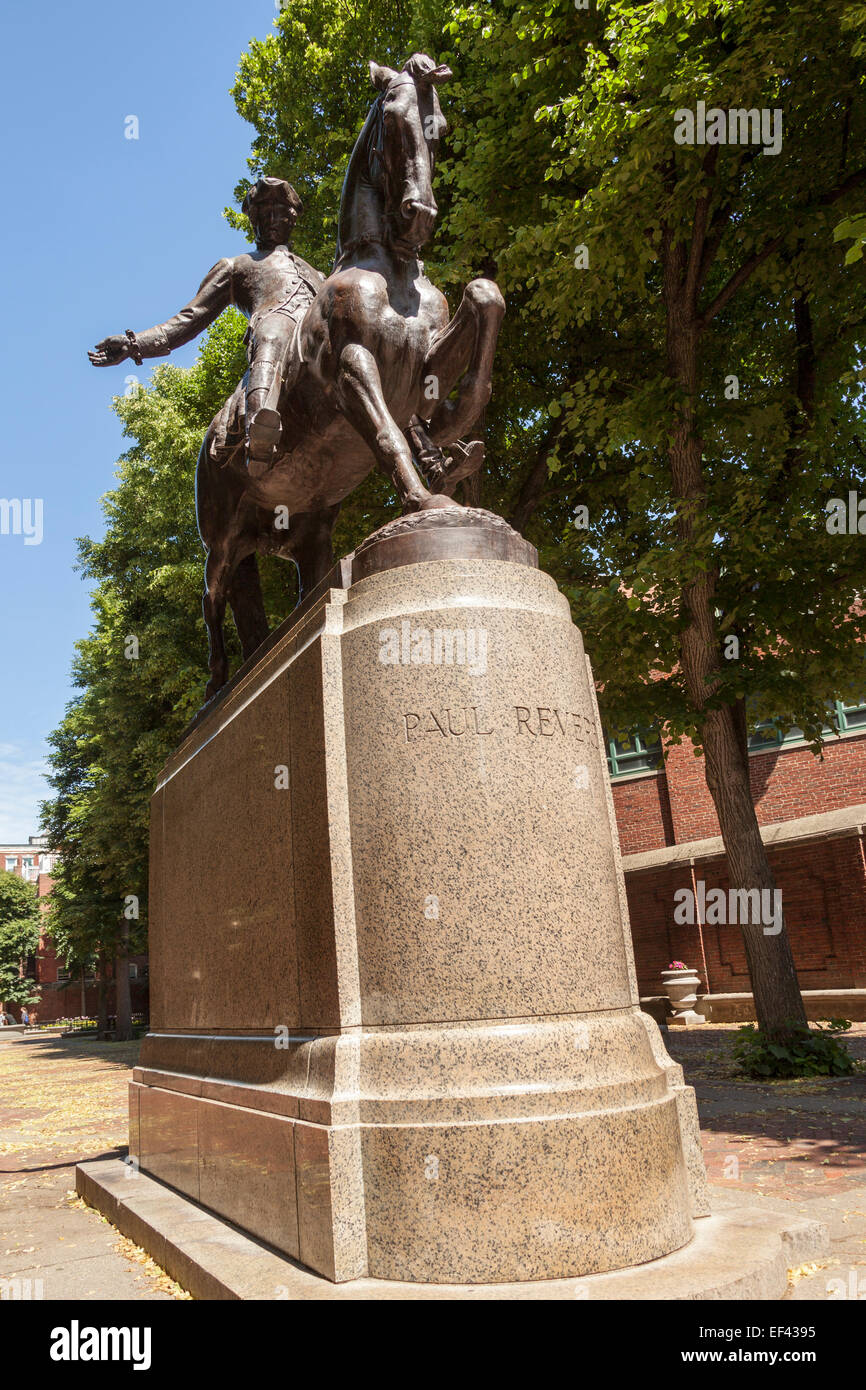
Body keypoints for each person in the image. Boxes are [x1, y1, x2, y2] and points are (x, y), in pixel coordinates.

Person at [88, 176, 323, 472]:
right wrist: (135, 344)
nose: (272, 219)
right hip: (273, 333)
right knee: (272, 333)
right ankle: (258, 433)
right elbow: (190, 317)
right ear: (253, 221)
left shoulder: (318, 275)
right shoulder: (235, 266)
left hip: (317, 338)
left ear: (292, 219)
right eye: (264, 214)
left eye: (279, 212)